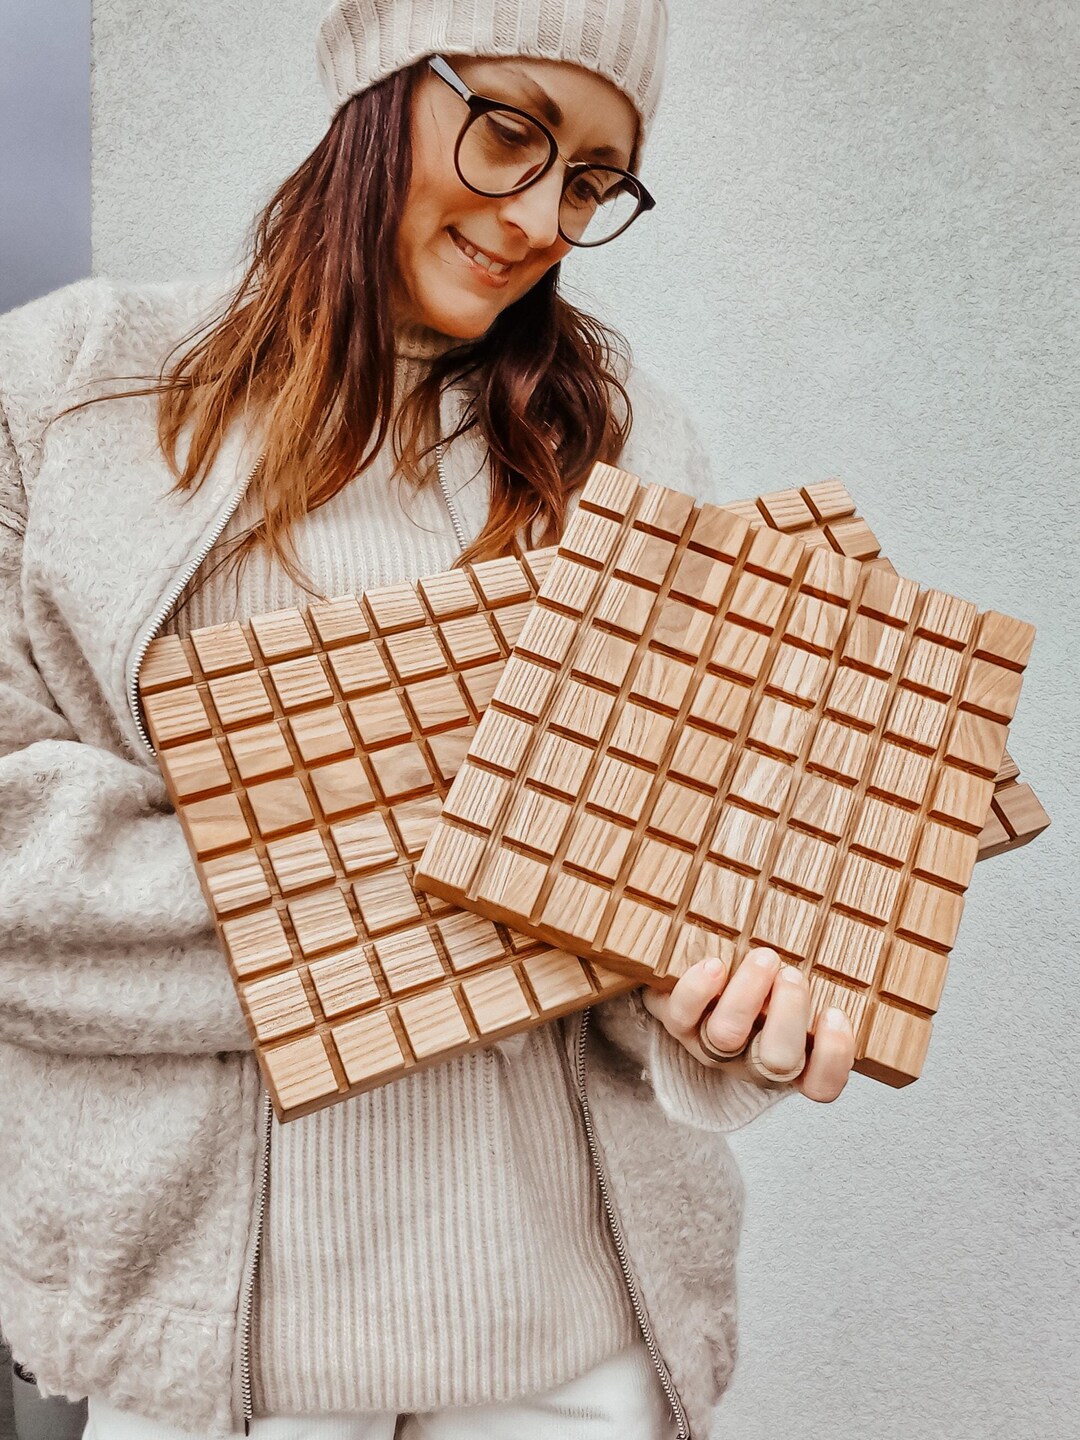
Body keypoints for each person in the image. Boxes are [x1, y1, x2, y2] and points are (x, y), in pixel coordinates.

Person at [0, 2, 857, 1437]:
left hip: (573, 1352)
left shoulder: (629, 439)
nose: (537, 216)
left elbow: (693, 864)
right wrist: (493, 870)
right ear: (376, 90)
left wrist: (729, 1008)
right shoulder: (70, 391)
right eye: (509, 128)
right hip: (222, 1368)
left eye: (591, 178)